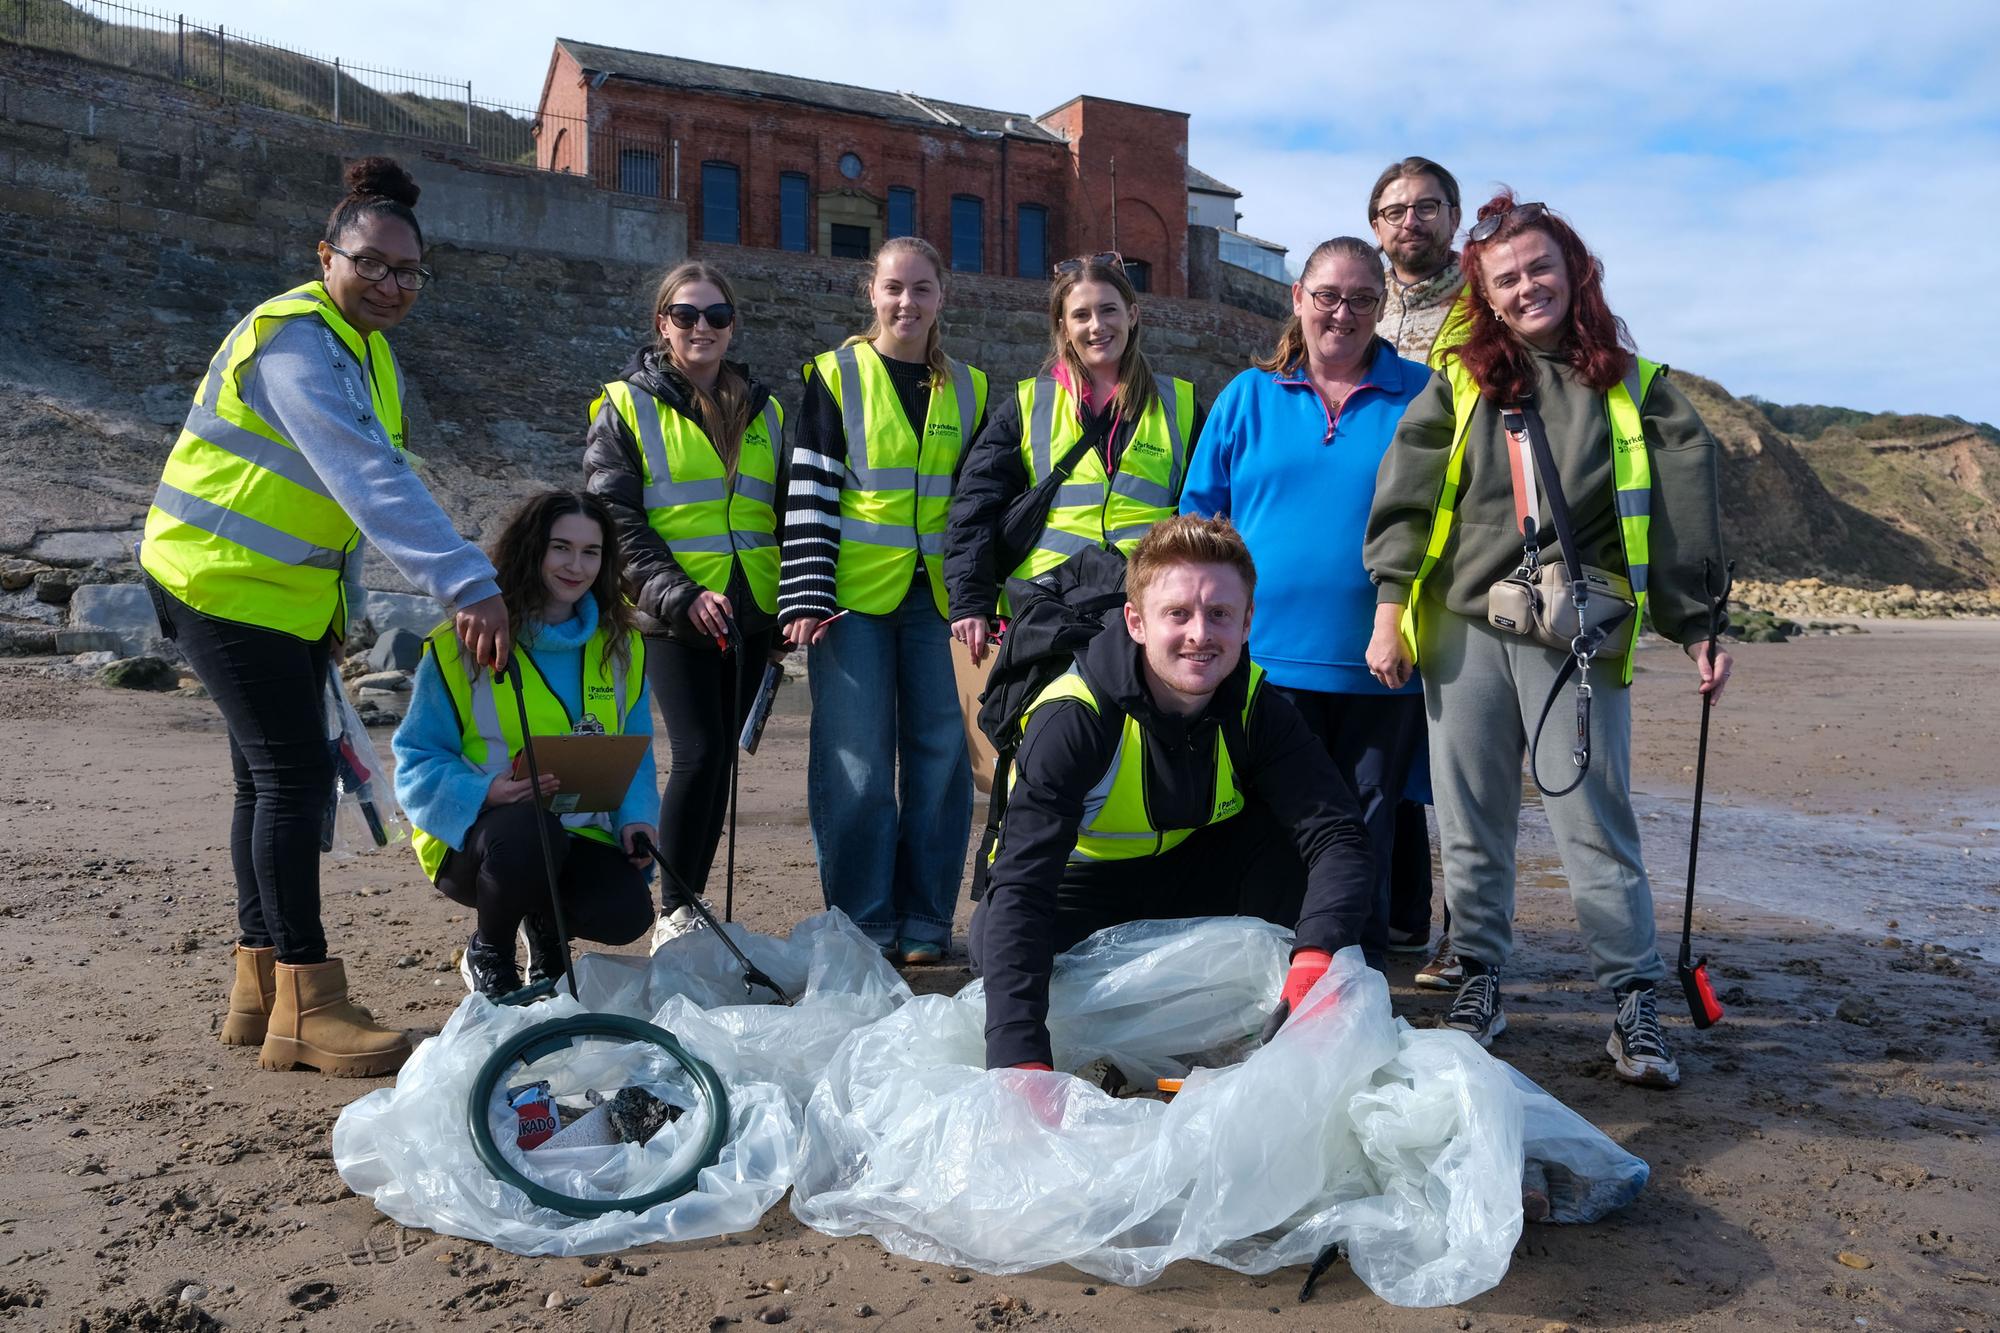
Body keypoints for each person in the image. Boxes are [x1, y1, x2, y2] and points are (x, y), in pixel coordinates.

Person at [138, 155, 509, 1078]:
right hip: (218, 581)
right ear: (326, 255)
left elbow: (335, 504)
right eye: (372, 264)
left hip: (278, 597)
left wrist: (338, 607)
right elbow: (369, 479)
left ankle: (259, 985)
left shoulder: (368, 352)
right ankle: (308, 997)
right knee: (293, 781)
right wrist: (468, 580)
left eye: (408, 272)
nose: (390, 284)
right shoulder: (296, 340)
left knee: (263, 785)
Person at [1363, 193, 1734, 1089]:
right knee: (1470, 817)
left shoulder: (1640, 388)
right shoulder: (1456, 383)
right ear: (1484, 296)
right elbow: (1407, 498)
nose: (1527, 286)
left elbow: (1686, 514)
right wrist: (1389, 610)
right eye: (1506, 278)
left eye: (1540, 267)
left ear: (1574, 272)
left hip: (1578, 633)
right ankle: (1480, 978)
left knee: (1593, 823)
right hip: (1461, 625)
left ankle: (1635, 1002)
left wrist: (1698, 628)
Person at [968, 515, 1375, 1072]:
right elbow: (1022, 887)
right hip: (1072, 886)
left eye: (1220, 614)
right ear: (1136, 622)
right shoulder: (1074, 718)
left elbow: (1338, 834)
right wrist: (1020, 1061)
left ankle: (1277, 1020)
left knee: (1293, 841)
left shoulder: (1257, 704)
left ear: (1248, 621)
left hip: (1187, 876)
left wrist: (1317, 955)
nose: (1200, 634)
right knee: (993, 942)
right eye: (1177, 614)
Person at [1178, 237, 1429, 969]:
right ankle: (1273, 966)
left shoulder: (1421, 395)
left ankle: (1358, 968)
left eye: (1360, 299)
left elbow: (1446, 518)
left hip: (1382, 661)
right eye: (1326, 295)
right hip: (1264, 660)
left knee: (1368, 825)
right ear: (1298, 298)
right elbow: (1199, 523)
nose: (1342, 313)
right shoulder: (1247, 395)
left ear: (1381, 308)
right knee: (1268, 822)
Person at [778, 237, 989, 964]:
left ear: (942, 297)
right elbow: (808, 490)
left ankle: (927, 921)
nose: (907, 302)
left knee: (939, 761)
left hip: (939, 603)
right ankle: (864, 925)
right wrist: (803, 591)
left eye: (922, 288)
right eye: (894, 287)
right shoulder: (834, 376)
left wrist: (979, 595)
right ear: (871, 291)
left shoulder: (972, 388)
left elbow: (979, 504)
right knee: (857, 764)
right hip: (850, 600)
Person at [583, 261, 782, 947]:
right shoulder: (625, 403)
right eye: (687, 315)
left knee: (721, 756)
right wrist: (680, 593)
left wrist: (787, 603)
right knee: (697, 752)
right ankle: (674, 906)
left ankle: (691, 907)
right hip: (667, 616)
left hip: (750, 613)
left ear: (734, 325)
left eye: (717, 315)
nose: (703, 328)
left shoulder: (766, 408)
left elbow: (781, 512)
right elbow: (615, 519)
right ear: (662, 323)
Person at [395, 491, 657, 999]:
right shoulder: (459, 645)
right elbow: (415, 759)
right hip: (479, 842)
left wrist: (637, 819)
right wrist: (485, 791)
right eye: (561, 547)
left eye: (591, 552)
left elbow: (636, 749)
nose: (575, 566)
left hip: (578, 831)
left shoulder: (622, 647)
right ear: (531, 549)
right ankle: (489, 950)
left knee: (626, 913)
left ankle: (546, 931)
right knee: (530, 834)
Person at [945, 254, 1205, 660]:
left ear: (1133, 315)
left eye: (1108, 310)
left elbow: (1209, 514)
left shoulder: (1183, 406)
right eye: (1081, 315)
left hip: (1146, 611)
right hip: (1045, 612)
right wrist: (970, 603)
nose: (1097, 326)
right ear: (1064, 328)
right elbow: (974, 506)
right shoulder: (1028, 403)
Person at [1368, 155, 1474, 979]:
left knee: (1464, 758)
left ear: (1453, 217)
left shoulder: (1490, 308)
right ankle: (1401, 915)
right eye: (1397, 210)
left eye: (1428, 207)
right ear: (1376, 224)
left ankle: (1465, 936)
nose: (1413, 221)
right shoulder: (1351, 306)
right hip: (1386, 544)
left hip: (1474, 546)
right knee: (1391, 742)